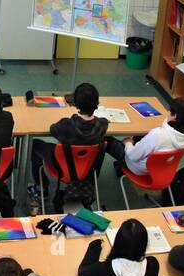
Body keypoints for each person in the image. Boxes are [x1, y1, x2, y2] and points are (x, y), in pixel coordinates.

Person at [26, 82, 117, 211]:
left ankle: (42, 187)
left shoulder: (66, 125)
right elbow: (102, 122)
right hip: (87, 169)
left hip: (62, 166)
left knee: (34, 145)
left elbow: (52, 129)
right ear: (97, 103)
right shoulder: (102, 125)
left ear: (75, 103)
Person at [117, 97, 184, 177]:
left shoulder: (158, 134)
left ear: (174, 116)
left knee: (108, 141)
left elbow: (133, 156)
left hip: (139, 168)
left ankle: (121, 166)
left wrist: (128, 143)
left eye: (169, 110)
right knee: (141, 136)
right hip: (161, 168)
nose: (167, 111)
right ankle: (119, 167)